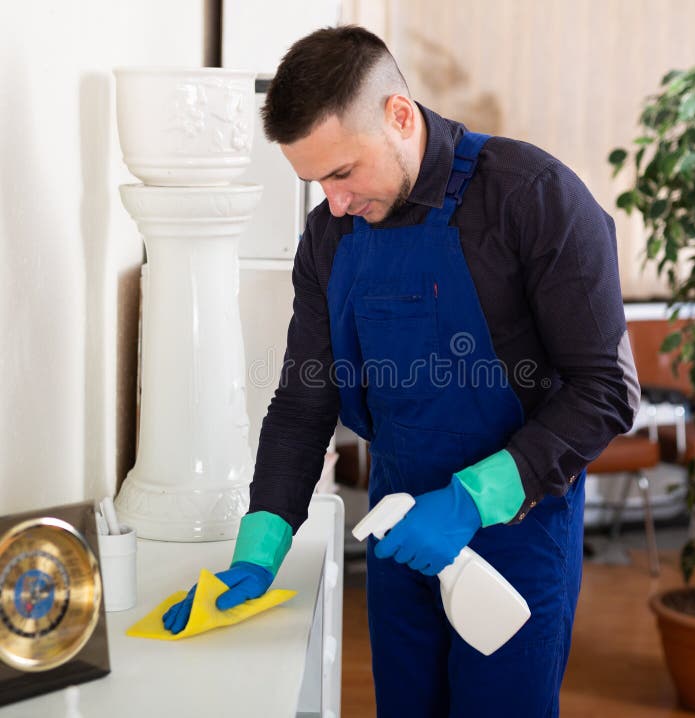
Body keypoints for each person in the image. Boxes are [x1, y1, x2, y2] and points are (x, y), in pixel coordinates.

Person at [162, 25, 640, 717]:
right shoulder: (330, 236)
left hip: (515, 535)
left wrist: (470, 501)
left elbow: (604, 391)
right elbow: (304, 402)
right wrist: (259, 546)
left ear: (399, 115)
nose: (332, 201)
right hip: (398, 527)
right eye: (315, 181)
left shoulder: (534, 198)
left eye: (342, 171)